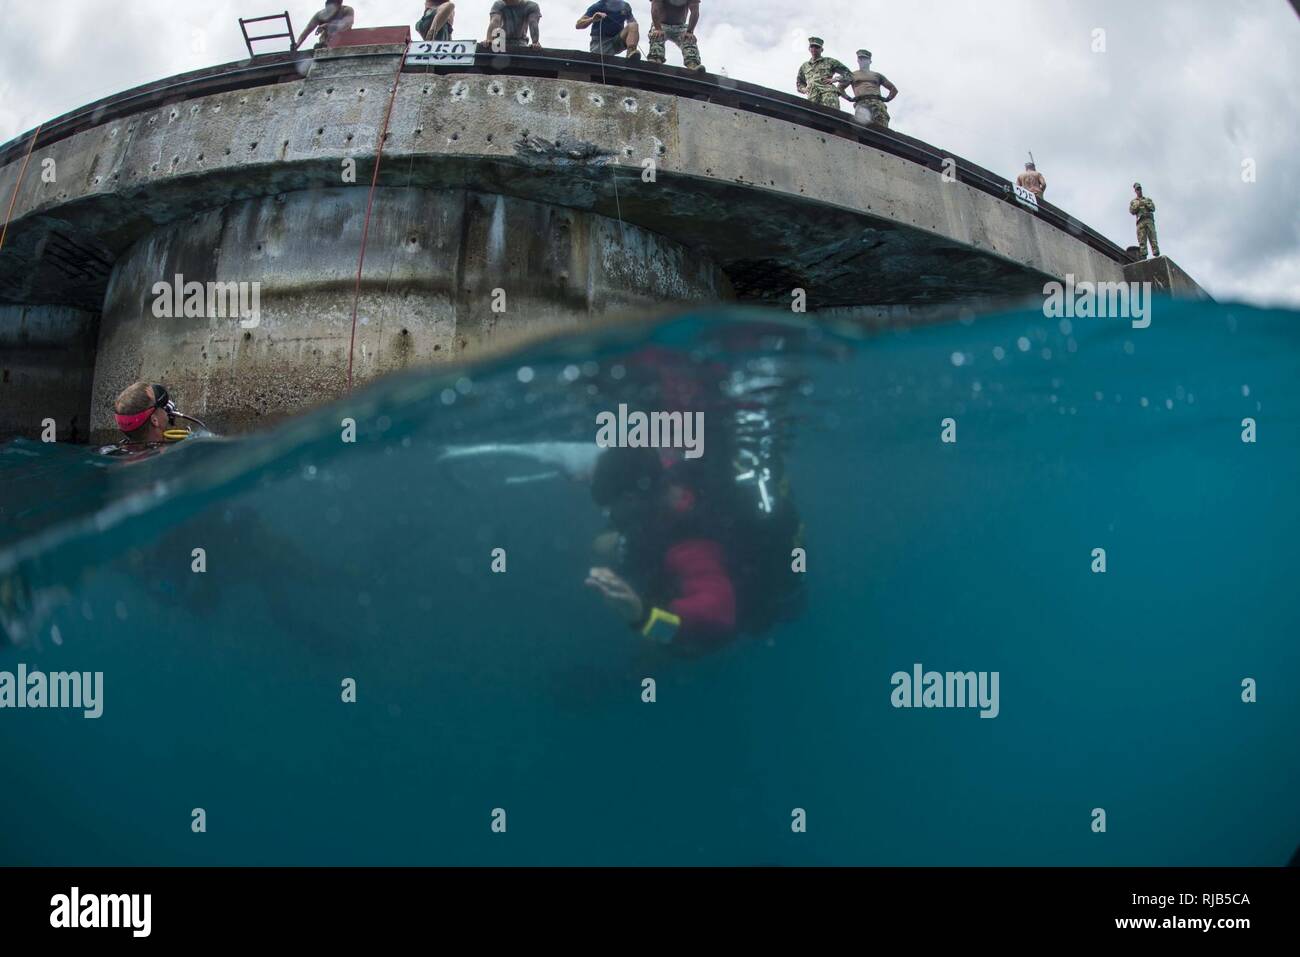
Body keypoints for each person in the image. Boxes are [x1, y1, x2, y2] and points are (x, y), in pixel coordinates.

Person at [585, 444, 804, 654]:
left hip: (756, 593)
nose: (611, 516)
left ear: (632, 500)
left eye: (613, 509)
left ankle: (657, 661)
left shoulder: (690, 547)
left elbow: (720, 614)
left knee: (673, 645)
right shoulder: (667, 476)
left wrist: (643, 617)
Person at [105, 382, 208, 457]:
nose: (167, 406)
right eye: (161, 404)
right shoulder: (174, 455)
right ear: (154, 420)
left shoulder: (115, 452)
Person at [838, 48, 897, 128]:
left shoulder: (877, 75)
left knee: (881, 128)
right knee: (862, 128)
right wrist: (849, 98)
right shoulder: (852, 75)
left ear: (870, 61)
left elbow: (893, 89)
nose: (862, 61)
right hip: (861, 103)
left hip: (877, 103)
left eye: (865, 59)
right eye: (860, 59)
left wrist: (887, 99)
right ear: (858, 61)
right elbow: (840, 88)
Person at [796, 37, 852, 110]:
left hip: (828, 94)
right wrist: (804, 89)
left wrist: (835, 79)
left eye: (817, 47)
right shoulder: (804, 66)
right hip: (812, 97)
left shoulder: (829, 61)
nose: (814, 49)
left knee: (832, 116)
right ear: (809, 49)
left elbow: (849, 74)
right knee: (813, 118)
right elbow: (799, 83)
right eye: (812, 46)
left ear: (821, 49)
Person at [647, 0, 702, 71]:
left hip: (680, 26)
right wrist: (658, 28)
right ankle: (655, 59)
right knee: (657, 35)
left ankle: (693, 64)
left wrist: (689, 31)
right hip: (661, 25)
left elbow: (695, 11)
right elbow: (655, 9)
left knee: (689, 38)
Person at [1130, 182, 1160, 259]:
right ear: (1135, 191)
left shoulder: (1147, 199)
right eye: (1137, 189)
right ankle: (1144, 255)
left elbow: (1153, 208)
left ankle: (1156, 254)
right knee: (1142, 240)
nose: (1139, 190)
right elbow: (1132, 211)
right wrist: (1138, 205)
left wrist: (1145, 203)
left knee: (1153, 238)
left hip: (1148, 220)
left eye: (1139, 189)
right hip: (1140, 221)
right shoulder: (1133, 202)